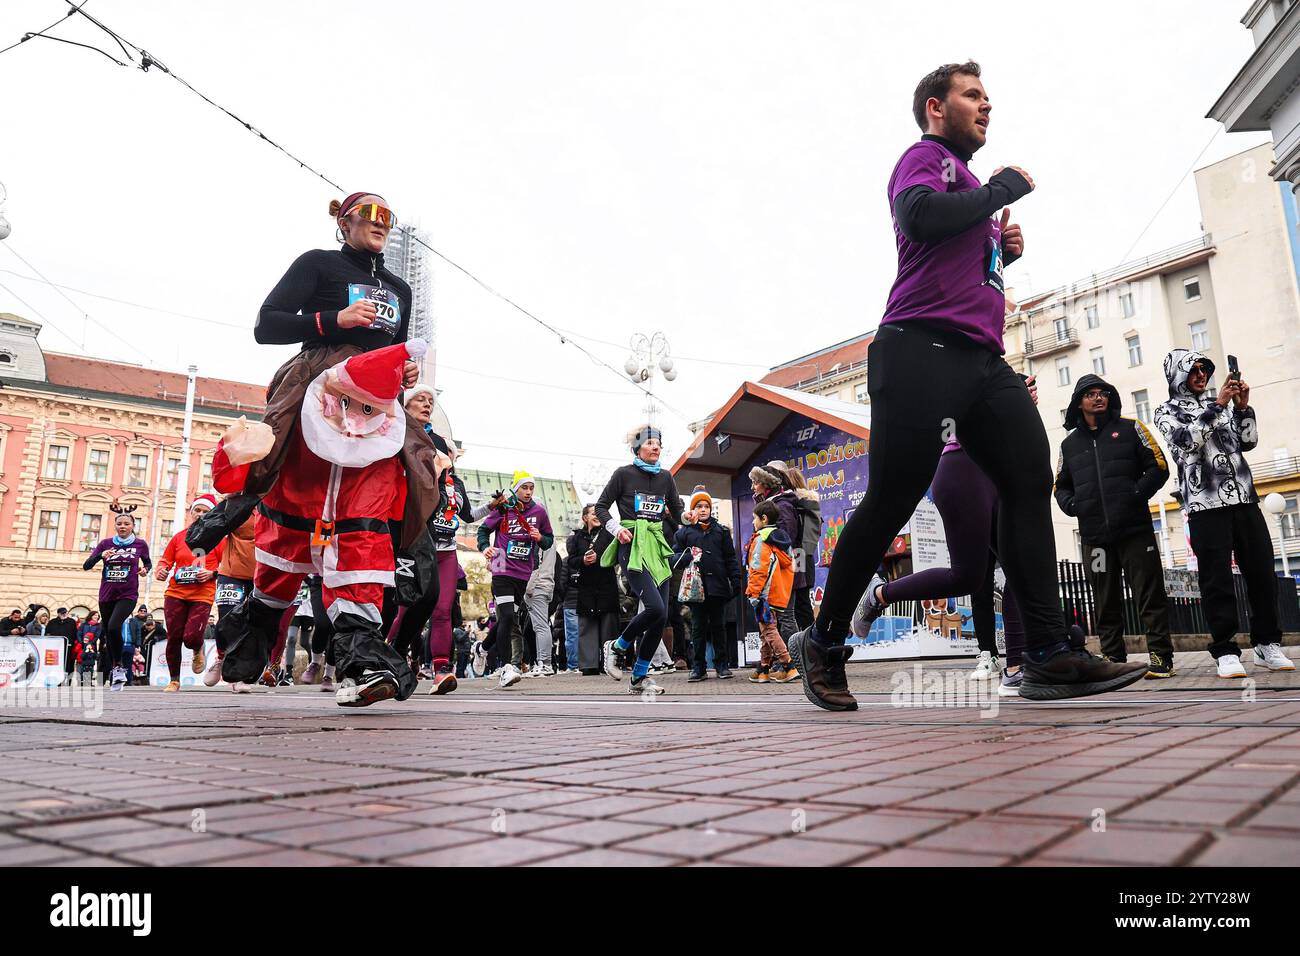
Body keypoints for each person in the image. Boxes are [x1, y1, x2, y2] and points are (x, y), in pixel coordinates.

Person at [788, 60, 1149, 711]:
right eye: (972, 96)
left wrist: (999, 250)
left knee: (1026, 477)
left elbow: (952, 253)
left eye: (988, 97)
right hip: (915, 346)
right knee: (893, 497)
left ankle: (1044, 652)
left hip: (981, 361)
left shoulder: (970, 185)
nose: (986, 106)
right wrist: (999, 190)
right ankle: (824, 639)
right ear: (936, 107)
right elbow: (921, 218)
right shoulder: (924, 158)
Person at [1155, 349, 1293, 677]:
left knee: (1262, 574)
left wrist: (1243, 409)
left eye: (1205, 369)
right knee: (1217, 580)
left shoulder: (1222, 404)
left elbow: (1248, 442)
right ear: (1177, 375)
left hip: (1245, 499)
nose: (1201, 375)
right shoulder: (1167, 410)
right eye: (1194, 369)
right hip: (1205, 504)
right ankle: (1225, 649)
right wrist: (1218, 407)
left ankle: (1266, 644)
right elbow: (1187, 442)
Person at [1054, 373, 1176, 676]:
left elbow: (1158, 466)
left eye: (1103, 392)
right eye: (1091, 394)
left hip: (1135, 531)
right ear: (1079, 403)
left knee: (1149, 594)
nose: (1098, 397)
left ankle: (1161, 658)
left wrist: (1134, 495)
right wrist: (1074, 506)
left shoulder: (1132, 429)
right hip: (1095, 538)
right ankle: (1112, 659)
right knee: (1105, 600)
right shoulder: (1069, 445)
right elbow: (1060, 485)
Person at [389, 384, 488, 695]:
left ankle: (442, 669)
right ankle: (387, 657)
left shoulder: (454, 483)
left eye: (431, 401)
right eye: (421, 399)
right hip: (413, 542)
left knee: (442, 608)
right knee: (405, 607)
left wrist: (495, 507)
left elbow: (468, 516)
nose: (427, 404)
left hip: (446, 550)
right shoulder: (397, 433)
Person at [595, 425, 690, 696]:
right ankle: (617, 647)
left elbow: (676, 510)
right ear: (637, 448)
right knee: (655, 608)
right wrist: (617, 529)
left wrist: (687, 518)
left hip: (658, 548)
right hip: (632, 545)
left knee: (660, 618)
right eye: (649, 443)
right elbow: (601, 506)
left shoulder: (665, 477)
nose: (656, 447)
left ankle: (638, 676)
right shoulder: (623, 474)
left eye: (658, 443)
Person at [477, 471, 554, 689]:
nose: (528, 492)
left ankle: (482, 648)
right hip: (501, 567)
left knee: (508, 620)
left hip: (523, 571)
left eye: (531, 488)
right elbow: (483, 530)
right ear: (515, 488)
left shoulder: (539, 512)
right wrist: (486, 547)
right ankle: (506, 668)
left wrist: (540, 538)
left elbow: (548, 541)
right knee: (507, 616)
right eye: (524, 488)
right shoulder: (504, 509)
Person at [154, 495, 227, 692]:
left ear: (211, 514)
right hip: (175, 593)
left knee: (192, 637)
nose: (201, 515)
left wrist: (212, 573)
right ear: (191, 513)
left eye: (205, 511)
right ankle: (174, 680)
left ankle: (198, 648)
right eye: (197, 511)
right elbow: (165, 561)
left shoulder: (218, 538)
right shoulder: (179, 537)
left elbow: (228, 565)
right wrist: (161, 570)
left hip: (202, 594)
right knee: (174, 637)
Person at [673, 485, 743, 681]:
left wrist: (735, 578)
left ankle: (722, 665)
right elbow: (673, 558)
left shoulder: (721, 531)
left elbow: (730, 558)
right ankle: (698, 666)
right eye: (699, 506)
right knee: (698, 628)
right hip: (695, 587)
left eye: (706, 506)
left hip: (718, 586)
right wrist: (687, 555)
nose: (703, 509)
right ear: (692, 510)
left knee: (719, 626)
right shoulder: (684, 532)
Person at [82, 504, 152, 689]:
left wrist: (145, 570)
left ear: (132, 526)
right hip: (106, 595)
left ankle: (118, 666)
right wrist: (101, 556)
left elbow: (148, 563)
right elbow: (86, 565)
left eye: (126, 524)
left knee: (114, 626)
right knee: (108, 632)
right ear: (115, 525)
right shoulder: (105, 544)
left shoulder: (140, 544)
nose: (122, 526)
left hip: (128, 594)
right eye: (119, 523)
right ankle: (115, 666)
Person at [744, 501, 801, 684]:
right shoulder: (781, 539)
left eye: (754, 518)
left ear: (764, 518)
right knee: (765, 631)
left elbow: (757, 568)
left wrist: (753, 593)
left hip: (763, 594)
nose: (753, 522)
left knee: (769, 630)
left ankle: (789, 666)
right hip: (777, 593)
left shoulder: (761, 539)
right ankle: (764, 669)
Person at [207, 507, 256, 686]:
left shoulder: (273, 505)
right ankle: (220, 658)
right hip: (230, 570)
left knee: (252, 624)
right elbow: (212, 527)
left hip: (260, 573)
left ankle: (240, 674)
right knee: (227, 619)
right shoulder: (238, 503)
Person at [522, 544, 561, 678]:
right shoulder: (549, 538)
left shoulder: (538, 538)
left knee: (540, 627)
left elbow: (535, 563)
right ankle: (543, 663)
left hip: (537, 585)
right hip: (546, 584)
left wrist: (528, 588)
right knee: (540, 626)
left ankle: (545, 664)